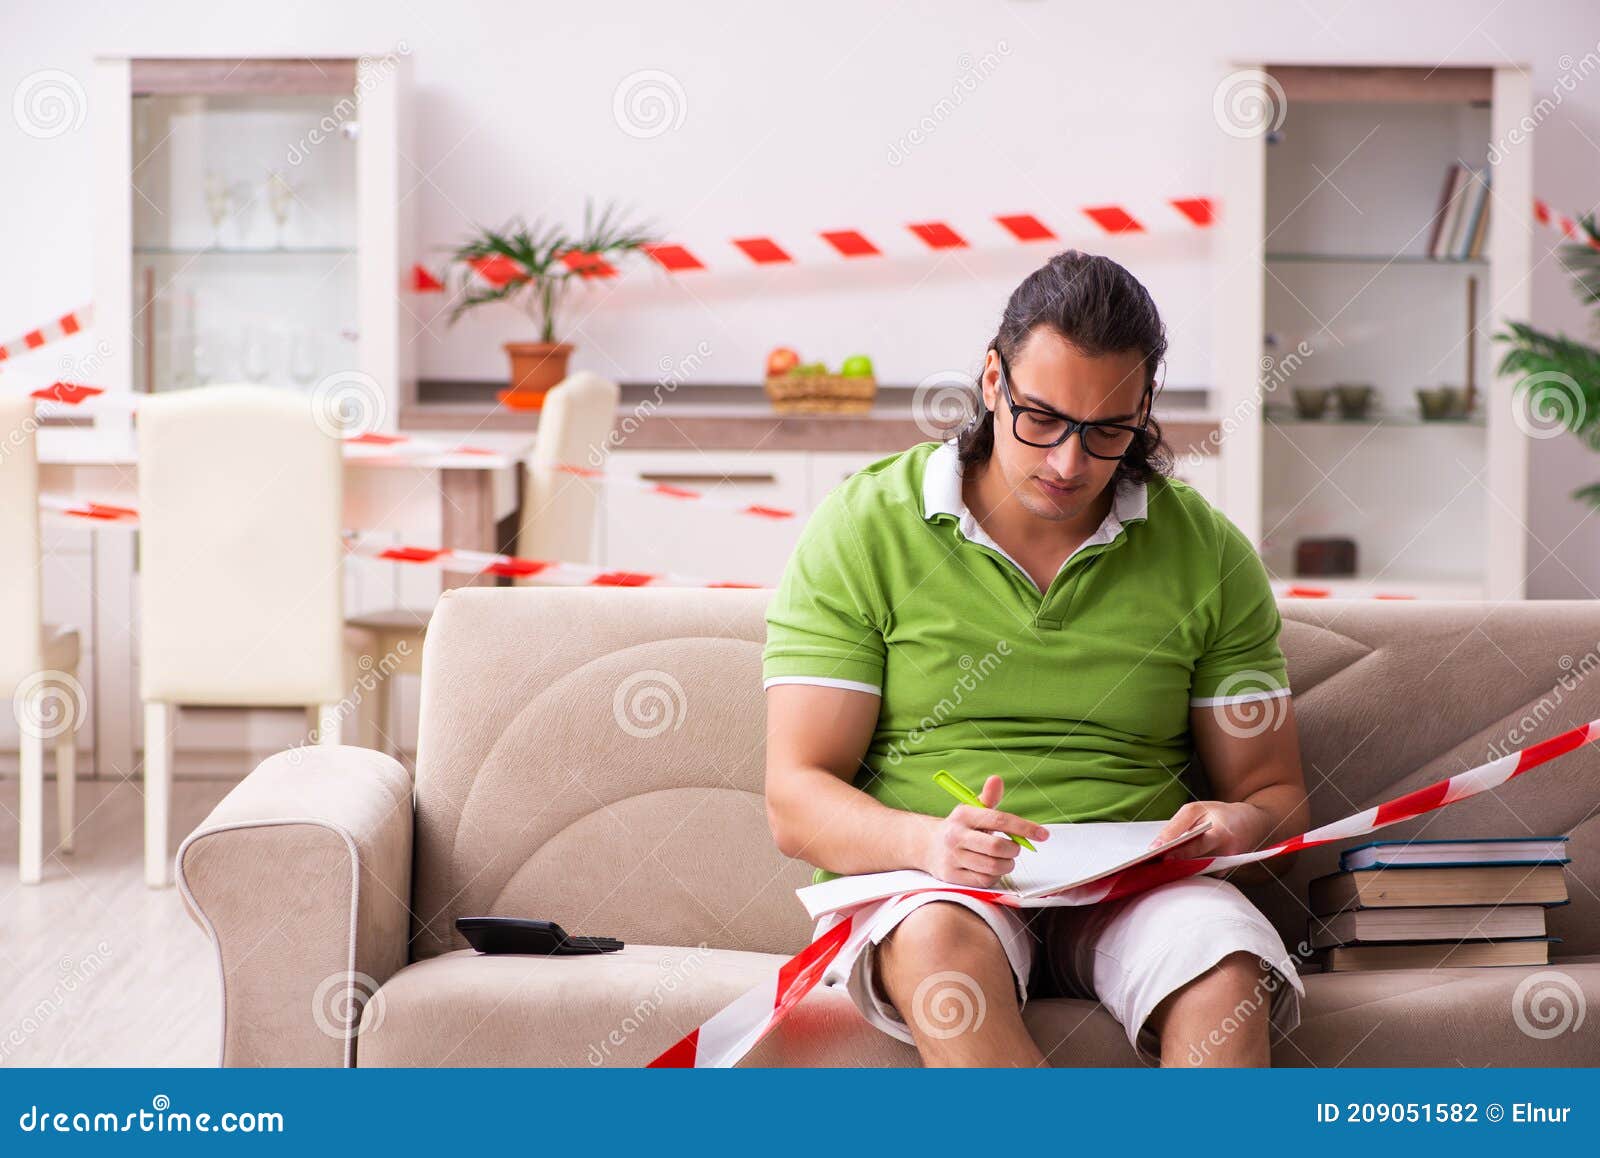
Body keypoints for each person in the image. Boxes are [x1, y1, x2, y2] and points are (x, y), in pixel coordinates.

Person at [762, 250, 1310, 1067]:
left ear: (1145, 409)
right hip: (939, 886)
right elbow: (795, 799)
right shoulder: (864, 527)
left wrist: (1238, 826)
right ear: (992, 382)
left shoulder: (1208, 555)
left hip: (1138, 889)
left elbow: (1276, 796)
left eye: (1107, 433)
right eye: (1042, 419)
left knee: (1225, 967)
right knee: (939, 938)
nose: (1068, 463)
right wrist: (928, 846)